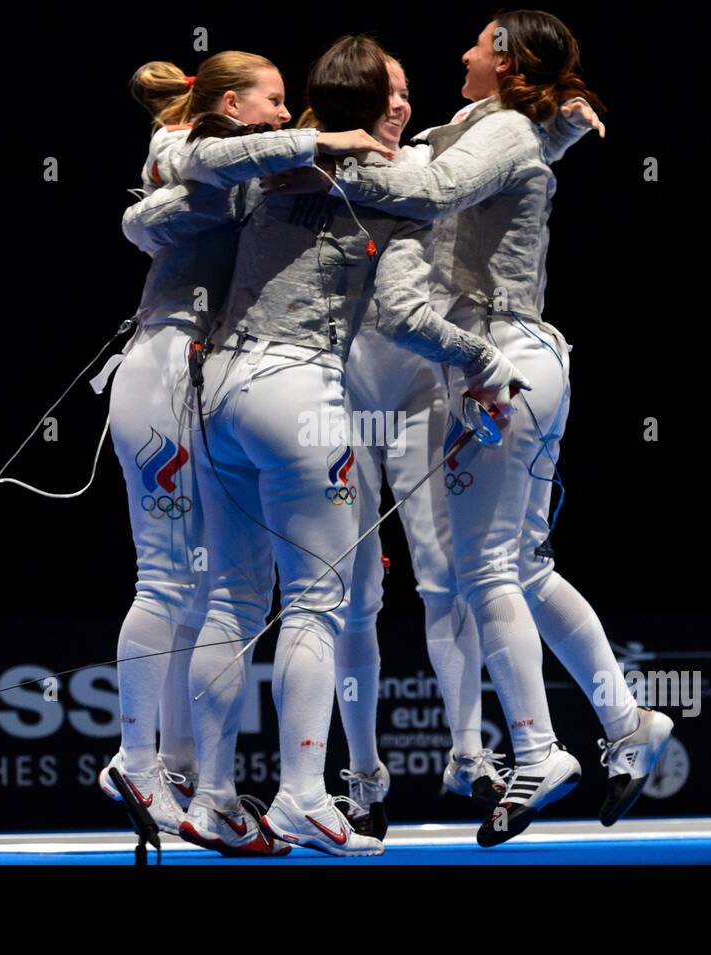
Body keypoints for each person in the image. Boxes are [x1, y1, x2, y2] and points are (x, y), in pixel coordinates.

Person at [124, 34, 528, 856]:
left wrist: (161, 192)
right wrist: (489, 363)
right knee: (317, 602)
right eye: (400, 93)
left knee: (232, 603)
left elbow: (169, 189)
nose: (409, 105)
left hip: (217, 396)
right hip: (299, 395)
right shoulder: (394, 188)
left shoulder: (257, 170)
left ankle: (210, 796)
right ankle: (304, 795)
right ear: (374, 106)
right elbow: (414, 313)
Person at [323, 11, 674, 843]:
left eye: (479, 43)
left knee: (484, 566)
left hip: (498, 358)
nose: (464, 53)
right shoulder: (497, 127)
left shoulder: (508, 125)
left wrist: (318, 157)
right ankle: (629, 725)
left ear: (508, 57)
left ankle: (540, 749)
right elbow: (470, 162)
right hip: (516, 359)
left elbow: (437, 187)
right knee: (525, 564)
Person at [99, 52, 291, 848]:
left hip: (202, 377)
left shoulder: (232, 166)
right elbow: (178, 158)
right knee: (167, 576)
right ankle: (132, 757)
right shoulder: (190, 153)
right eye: (274, 100)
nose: (286, 115)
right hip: (164, 368)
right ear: (230, 105)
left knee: (209, 584)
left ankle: (178, 765)